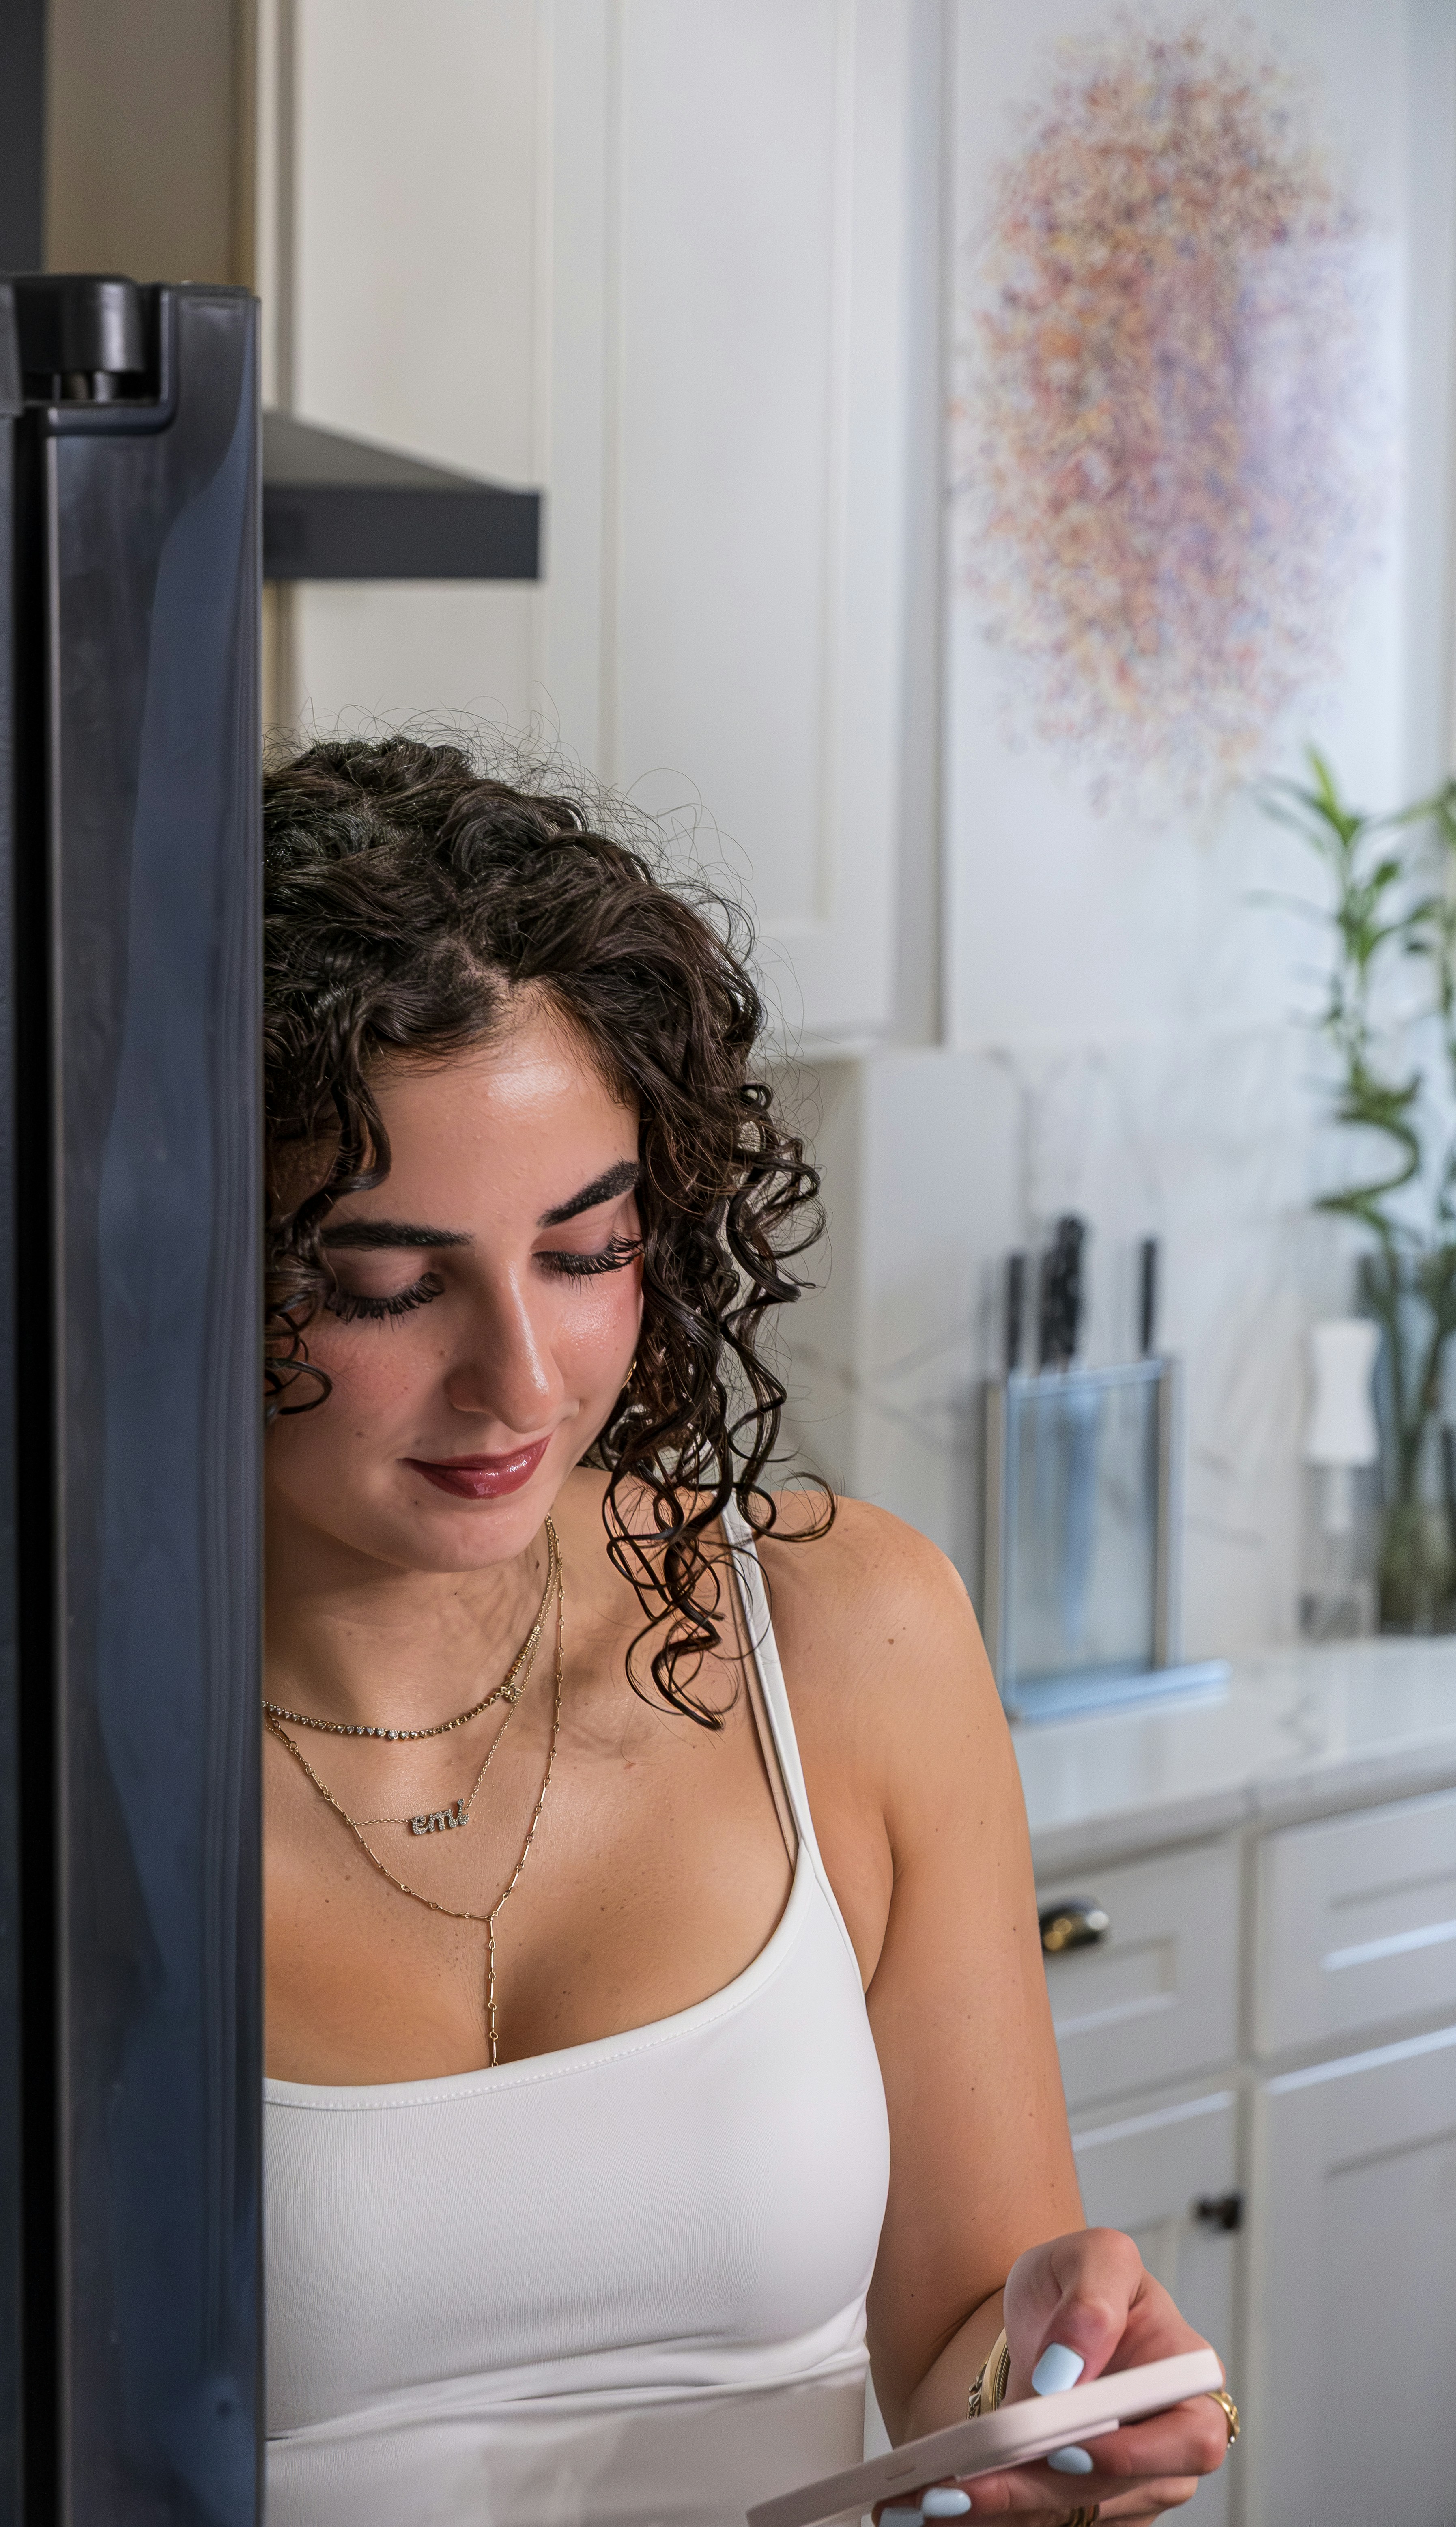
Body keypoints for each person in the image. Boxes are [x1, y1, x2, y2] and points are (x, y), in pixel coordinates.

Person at [261, 736, 1234, 2527]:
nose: (520, 1379)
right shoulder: (75, 1750)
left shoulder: (848, 1634)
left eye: (583, 1253)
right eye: (386, 1284)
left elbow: (959, 2331)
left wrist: (1044, 2387)